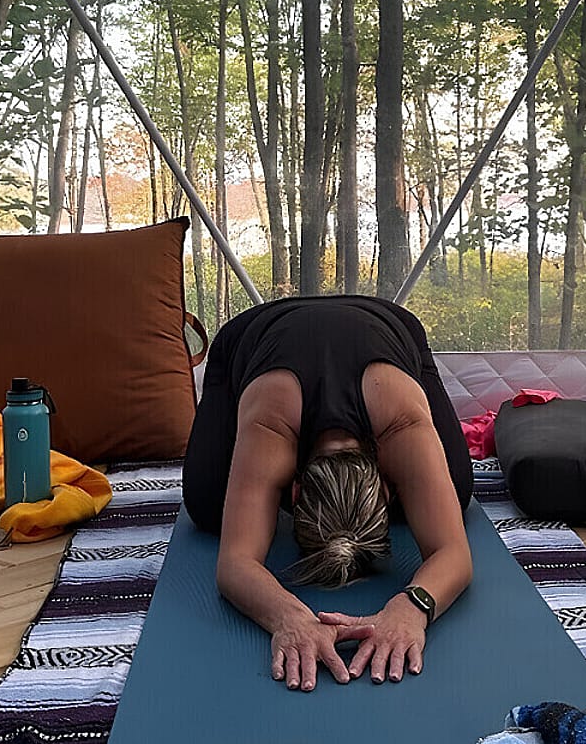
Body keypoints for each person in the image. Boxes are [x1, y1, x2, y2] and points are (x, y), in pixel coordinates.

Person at [183, 295, 474, 693]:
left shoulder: (400, 421)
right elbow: (234, 563)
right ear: (296, 490)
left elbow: (454, 553)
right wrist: (290, 618)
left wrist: (412, 608)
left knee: (455, 490)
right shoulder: (271, 421)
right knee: (206, 504)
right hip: (253, 333)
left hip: (388, 328)